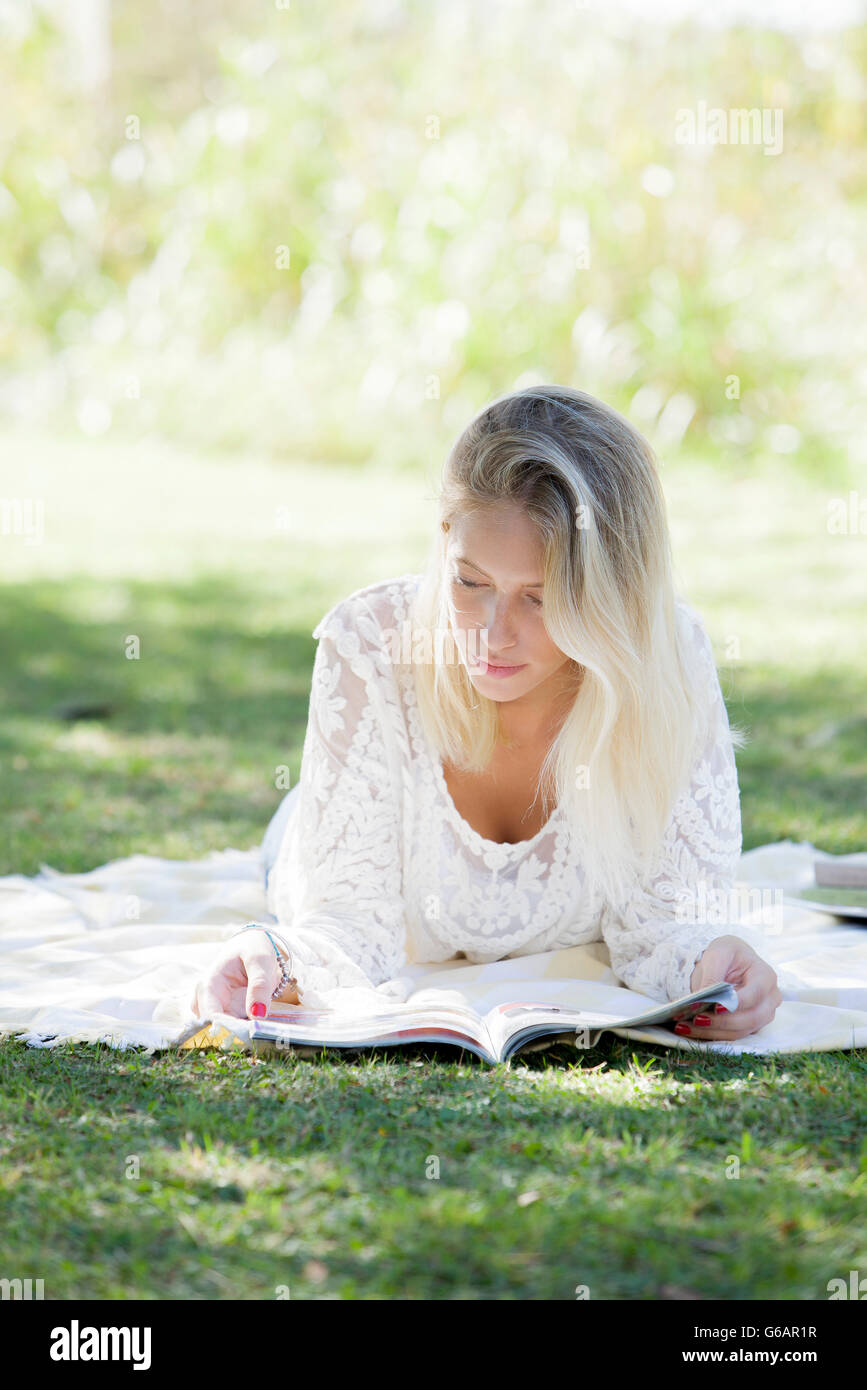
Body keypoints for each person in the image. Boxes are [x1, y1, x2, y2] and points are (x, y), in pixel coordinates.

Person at [191, 384, 781, 1042]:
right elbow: (345, 927)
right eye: (470, 582)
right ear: (443, 541)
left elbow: (665, 925)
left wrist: (711, 965)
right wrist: (274, 957)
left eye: (540, 596)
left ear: (613, 593)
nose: (493, 634)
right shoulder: (369, 644)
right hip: (321, 830)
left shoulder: (665, 657)